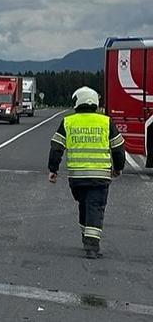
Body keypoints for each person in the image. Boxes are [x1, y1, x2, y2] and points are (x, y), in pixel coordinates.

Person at [48, 86, 125, 259]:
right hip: (99, 177)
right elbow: (119, 148)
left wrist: (53, 169)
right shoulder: (106, 122)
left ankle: (86, 236)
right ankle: (92, 245)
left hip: (77, 178)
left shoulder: (68, 122)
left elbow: (56, 148)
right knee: (95, 207)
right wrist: (118, 168)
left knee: (84, 205)